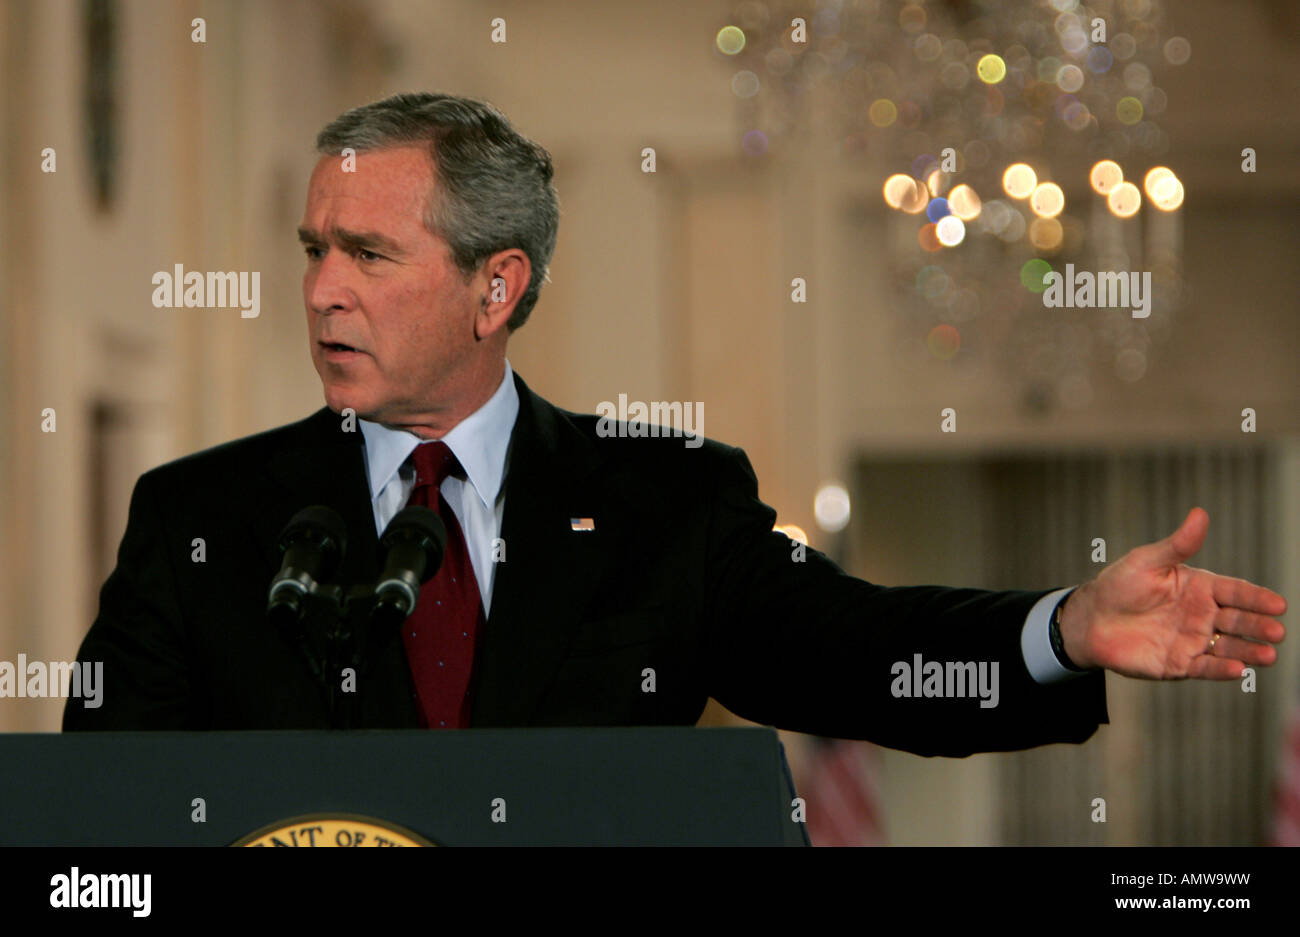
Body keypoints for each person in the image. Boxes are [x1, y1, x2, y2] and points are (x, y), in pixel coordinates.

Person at [64, 93, 1287, 756]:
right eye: (313, 251)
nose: (323, 288)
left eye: (369, 254)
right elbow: (97, 829)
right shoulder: (200, 517)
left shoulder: (664, 504)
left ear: (496, 289)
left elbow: (860, 655)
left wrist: (1060, 631)